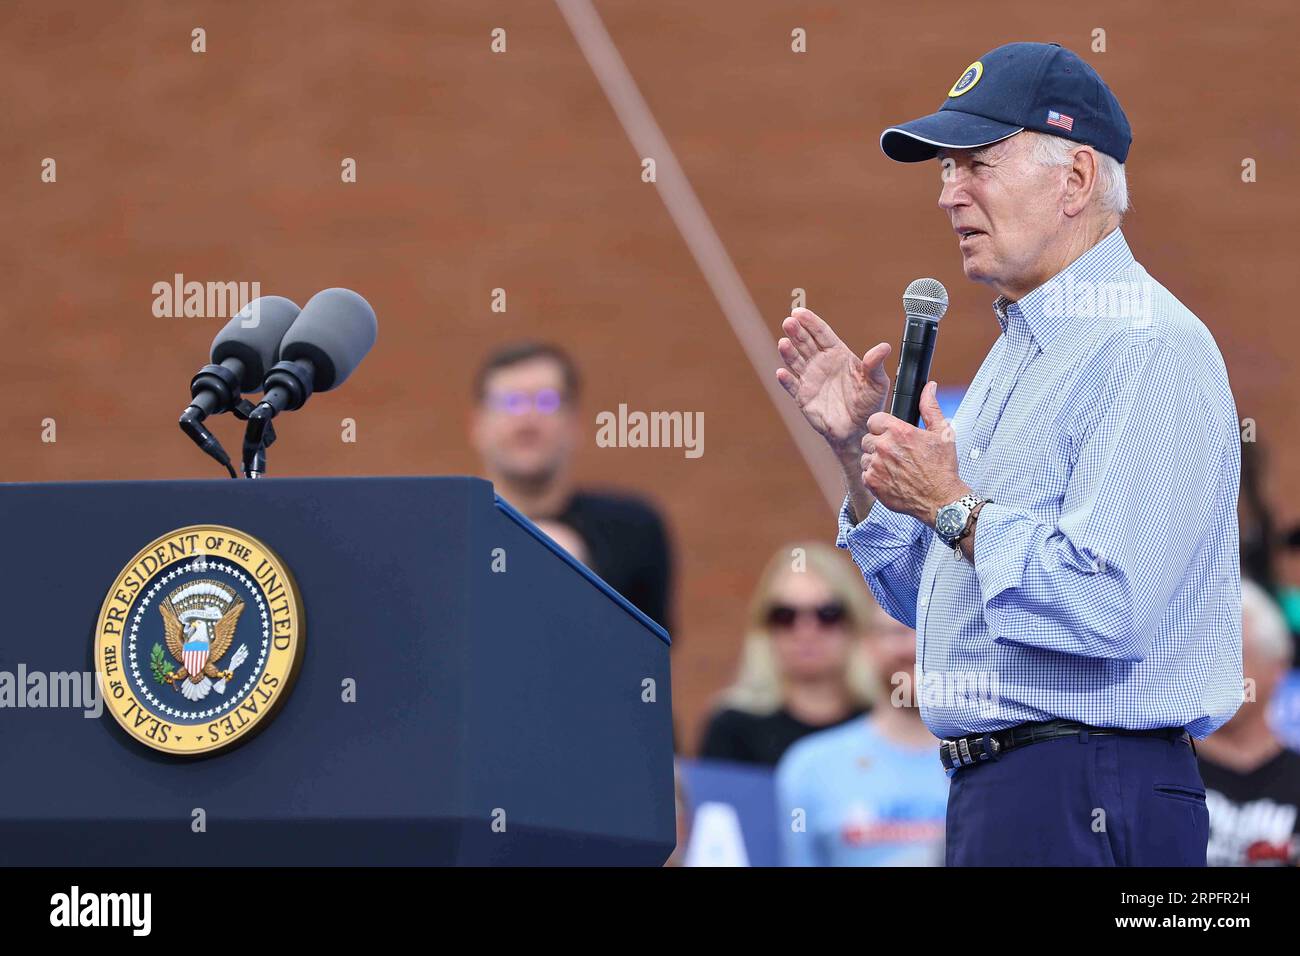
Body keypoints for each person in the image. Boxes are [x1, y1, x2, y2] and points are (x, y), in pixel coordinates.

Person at [775, 41, 1242, 865]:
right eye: (945, 171)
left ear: (1076, 180)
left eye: (977, 164)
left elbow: (1109, 607)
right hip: (1009, 791)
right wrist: (860, 456)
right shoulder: (1020, 353)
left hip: (1090, 786)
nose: (950, 194)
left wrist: (953, 508)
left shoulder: (1147, 345)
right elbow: (941, 603)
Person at [470, 341, 673, 632]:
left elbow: (652, 658)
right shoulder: (446, 532)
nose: (527, 419)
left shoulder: (633, 528)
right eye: (510, 403)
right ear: (476, 426)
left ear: (575, 424)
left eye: (546, 402)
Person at [776, 606, 946, 866]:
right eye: (899, 631)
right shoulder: (810, 766)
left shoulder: (992, 755)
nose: (914, 647)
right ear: (868, 645)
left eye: (929, 633)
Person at [699, 542, 877, 766]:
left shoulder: (887, 724)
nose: (806, 631)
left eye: (827, 614)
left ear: (855, 622)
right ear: (765, 627)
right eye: (785, 615)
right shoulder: (732, 728)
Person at [1198, 579, 1300, 866]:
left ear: (1277, 667)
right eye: (1208, 657)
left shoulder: (1295, 779)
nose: (1218, 673)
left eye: (1236, 656)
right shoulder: (1168, 766)